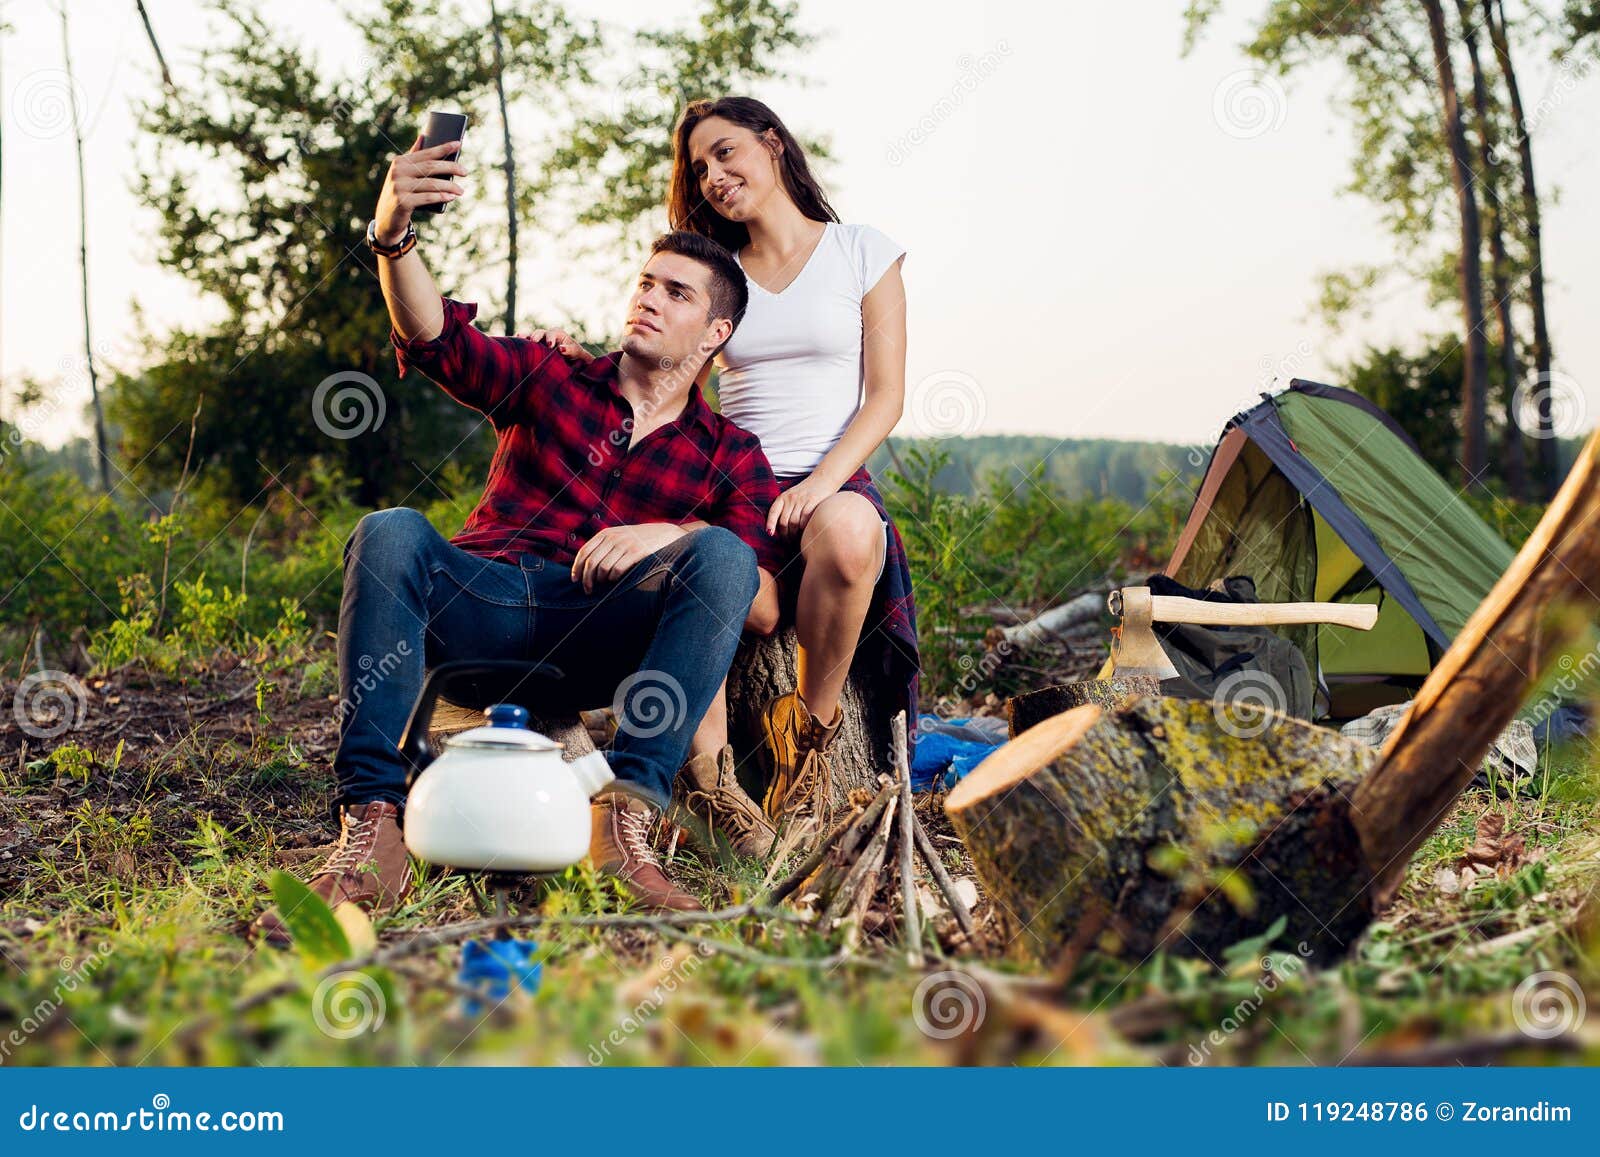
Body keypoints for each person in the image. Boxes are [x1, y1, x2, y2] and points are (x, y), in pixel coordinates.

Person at [253, 135, 786, 943]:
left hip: (599, 631)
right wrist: (393, 231)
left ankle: (626, 824)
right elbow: (436, 338)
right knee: (390, 529)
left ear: (715, 332)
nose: (647, 298)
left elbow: (763, 603)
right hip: (486, 600)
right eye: (645, 281)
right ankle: (373, 827)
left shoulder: (729, 453)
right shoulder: (553, 374)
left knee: (724, 553)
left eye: (675, 293)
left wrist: (664, 534)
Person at [524, 97, 918, 845]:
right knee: (729, 589)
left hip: (826, 476)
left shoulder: (863, 250)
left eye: (726, 152)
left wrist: (818, 484)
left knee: (851, 536)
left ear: (773, 145)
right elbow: (669, 366)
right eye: (699, 167)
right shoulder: (716, 271)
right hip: (728, 480)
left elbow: (887, 395)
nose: (713, 175)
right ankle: (708, 778)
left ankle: (810, 739)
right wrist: (586, 367)